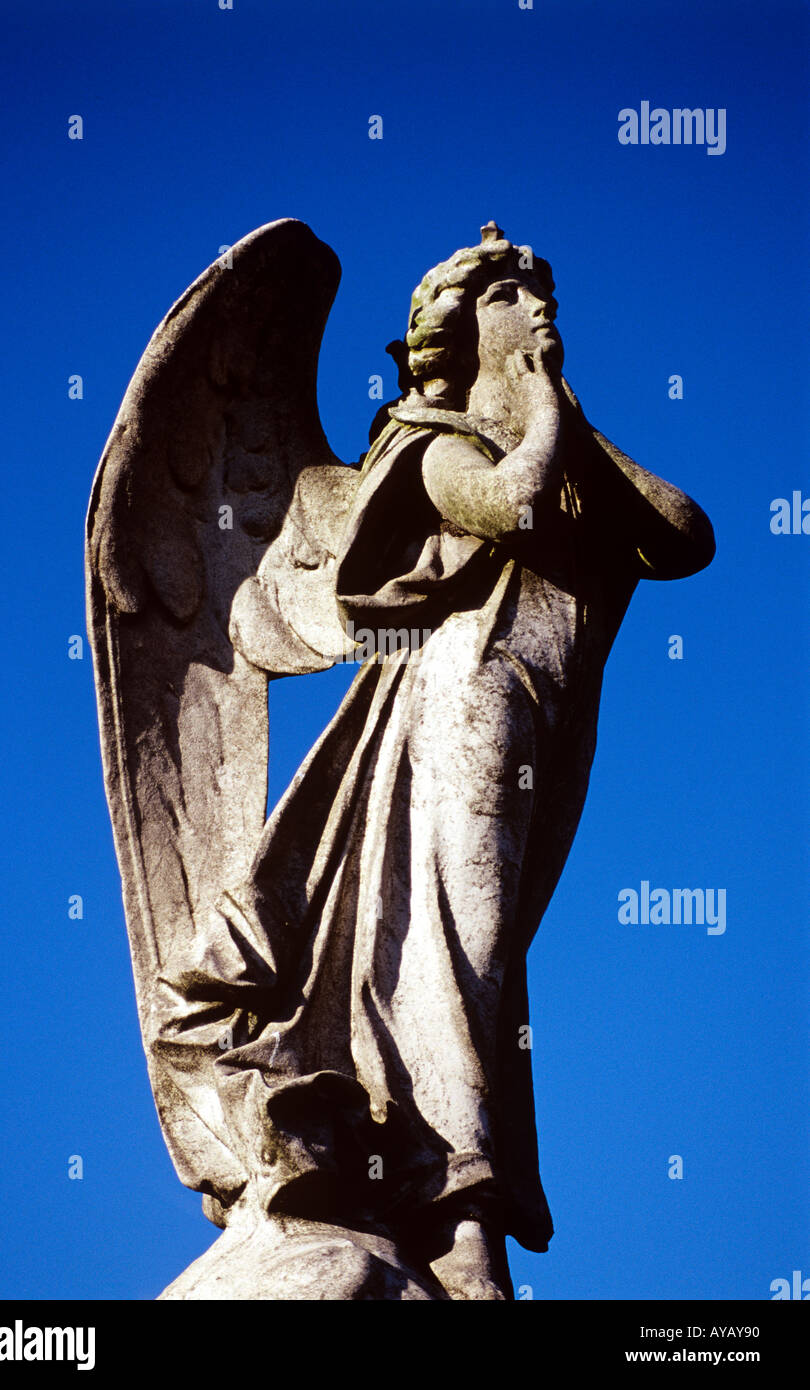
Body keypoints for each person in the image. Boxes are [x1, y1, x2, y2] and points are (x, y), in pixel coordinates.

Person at [212, 223, 716, 1299]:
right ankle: (460, 1216)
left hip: (541, 723)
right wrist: (538, 415)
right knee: (452, 956)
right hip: (462, 700)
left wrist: (564, 414)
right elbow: (514, 504)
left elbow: (680, 532)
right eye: (512, 295)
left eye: (545, 289)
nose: (540, 308)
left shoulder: (554, 435)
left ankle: (442, 1190)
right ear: (457, 323)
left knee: (481, 970)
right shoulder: (435, 445)